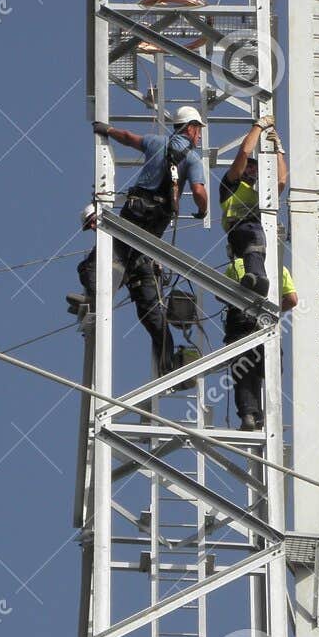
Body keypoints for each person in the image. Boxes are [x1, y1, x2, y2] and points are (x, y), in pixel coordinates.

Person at [72, 107, 209, 374]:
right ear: (190, 128)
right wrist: (202, 210)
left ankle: (95, 300)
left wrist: (106, 130)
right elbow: (199, 191)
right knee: (153, 313)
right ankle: (167, 367)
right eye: (199, 130)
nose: (200, 136)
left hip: (133, 216)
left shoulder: (157, 142)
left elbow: (126, 136)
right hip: (152, 230)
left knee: (95, 265)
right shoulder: (192, 159)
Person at [224, 252, 298, 431]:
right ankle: (261, 417)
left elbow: (221, 295)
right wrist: (270, 311)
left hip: (240, 321)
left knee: (242, 371)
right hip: (265, 324)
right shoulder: (280, 269)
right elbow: (292, 300)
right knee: (263, 367)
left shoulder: (237, 264)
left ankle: (249, 415)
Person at [219, 114, 286, 299]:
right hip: (243, 228)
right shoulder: (231, 184)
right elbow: (244, 153)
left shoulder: (258, 196)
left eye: (255, 168)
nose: (252, 170)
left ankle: (253, 279)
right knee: (256, 242)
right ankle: (258, 278)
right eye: (249, 167)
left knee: (254, 251)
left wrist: (279, 152)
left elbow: (281, 182)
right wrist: (259, 126)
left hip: (241, 236)